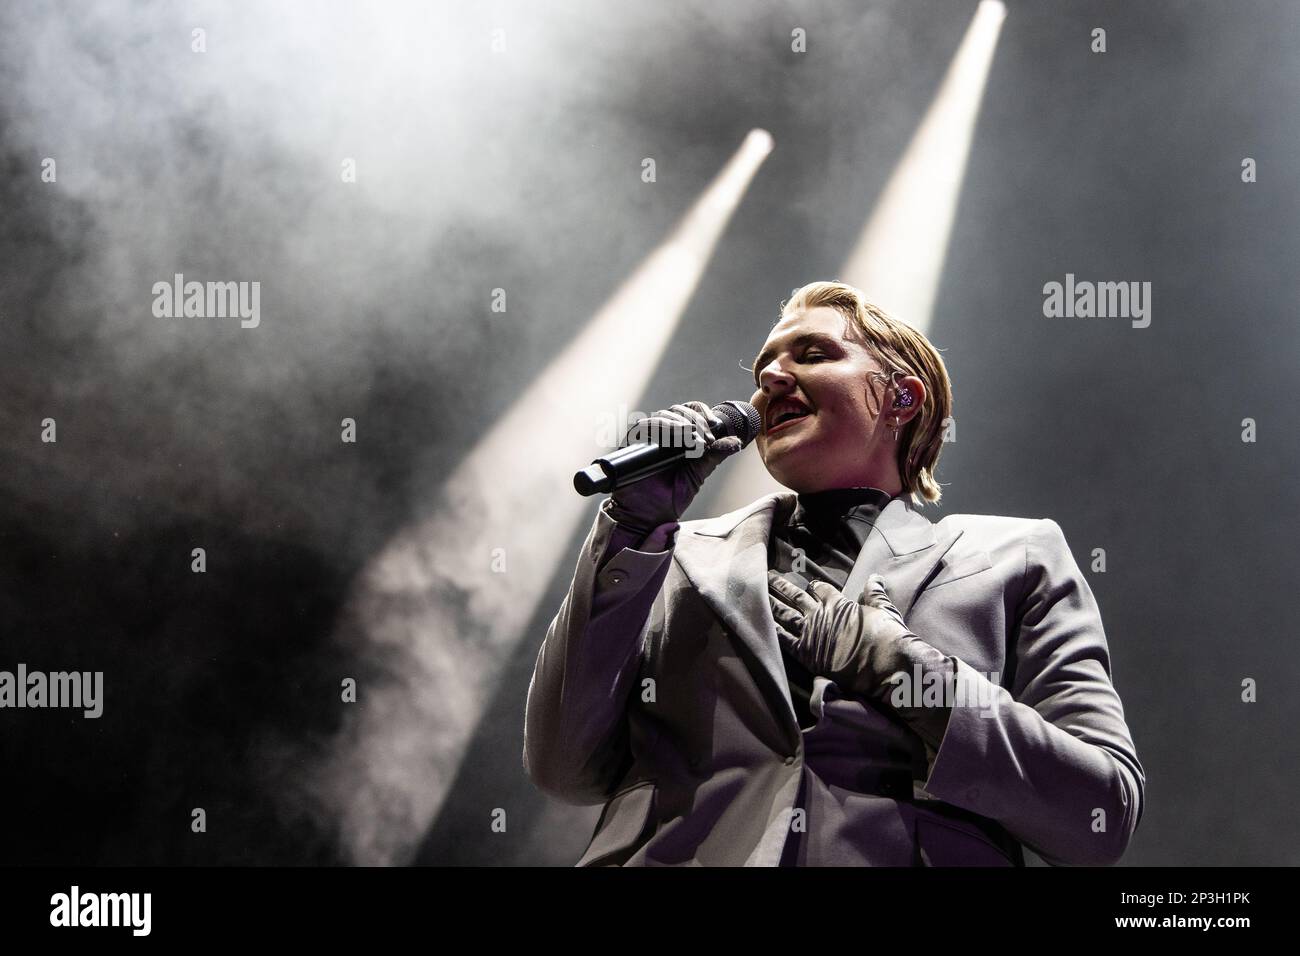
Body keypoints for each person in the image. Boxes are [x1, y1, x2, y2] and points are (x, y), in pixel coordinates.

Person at [523, 280, 1145, 866]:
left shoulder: (1016, 555)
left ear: (902, 397)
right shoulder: (672, 555)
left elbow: (1101, 813)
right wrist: (629, 531)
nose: (769, 377)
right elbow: (562, 766)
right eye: (765, 364)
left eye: (814, 353)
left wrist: (901, 668)